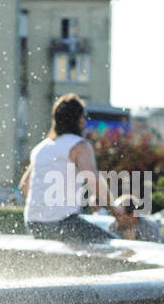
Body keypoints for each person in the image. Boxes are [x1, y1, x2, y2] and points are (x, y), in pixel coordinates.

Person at [20, 93, 113, 244]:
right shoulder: (79, 145)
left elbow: (24, 187)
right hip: (63, 224)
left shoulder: (40, 148)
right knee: (116, 247)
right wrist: (116, 210)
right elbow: (94, 181)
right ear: (80, 120)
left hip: (33, 223)